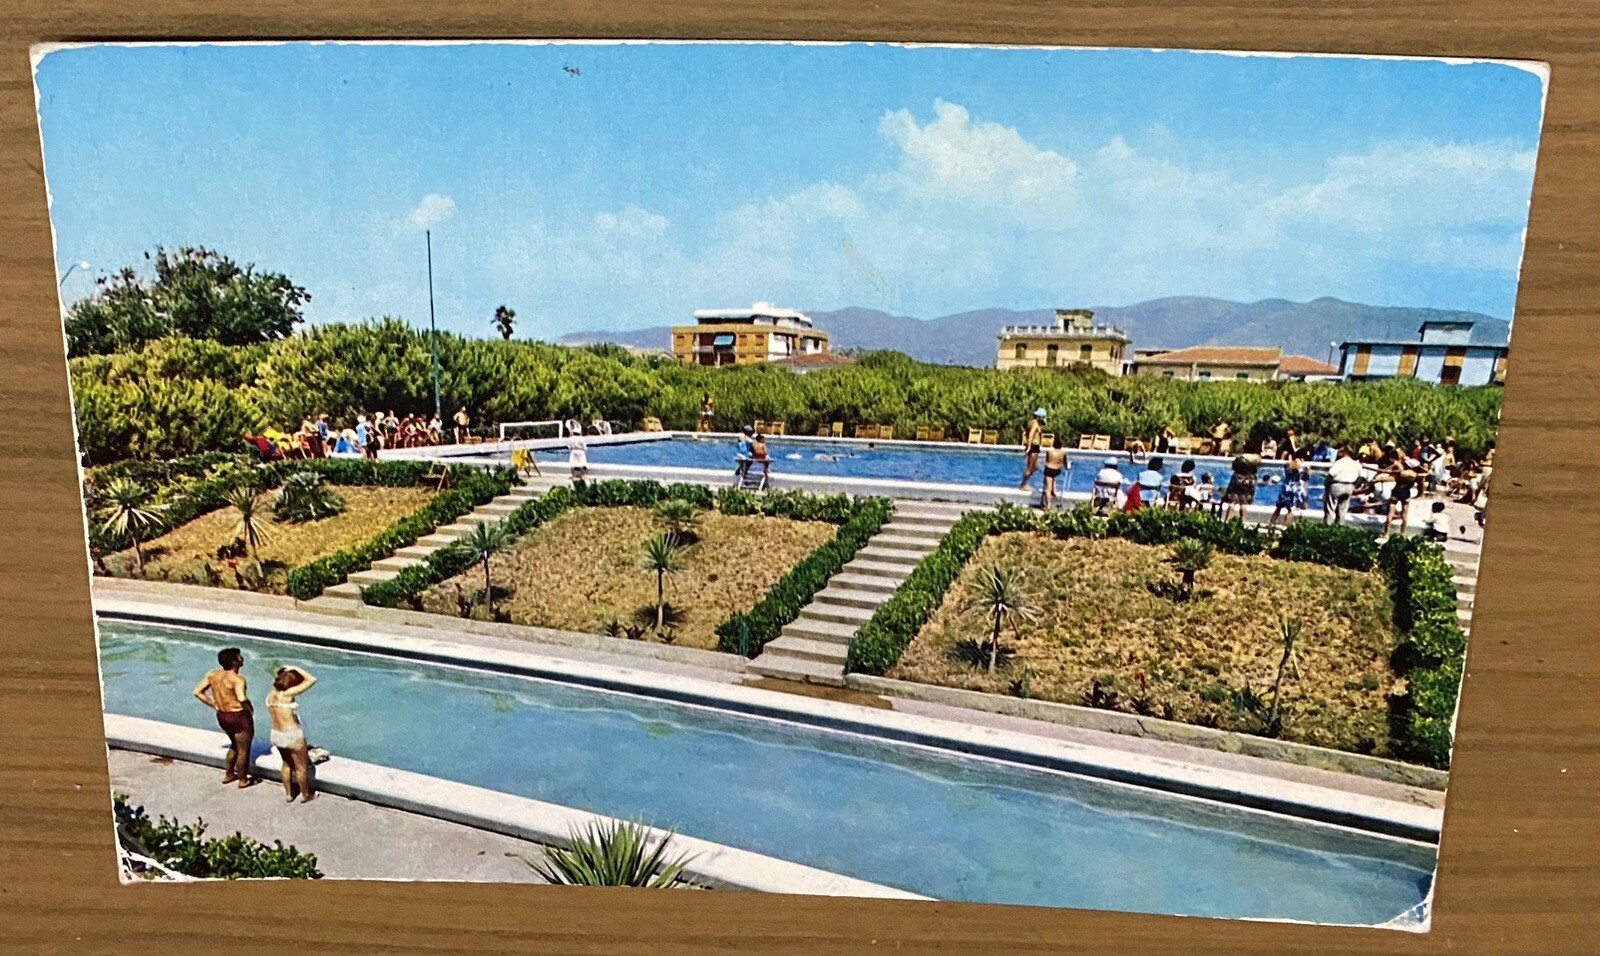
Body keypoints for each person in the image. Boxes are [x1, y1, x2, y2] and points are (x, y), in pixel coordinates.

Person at [192, 647, 255, 788]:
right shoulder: (238, 679)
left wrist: (214, 704)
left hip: (222, 715)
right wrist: (250, 709)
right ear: (234, 662)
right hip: (238, 715)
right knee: (243, 749)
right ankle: (243, 780)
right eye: (240, 656)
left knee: (235, 745)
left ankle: (229, 774)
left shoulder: (213, 674)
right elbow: (242, 698)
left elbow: (197, 692)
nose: (242, 658)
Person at [266, 666, 318, 803]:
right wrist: (295, 667)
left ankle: (289, 794)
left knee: (286, 764)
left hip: (276, 734)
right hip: (292, 735)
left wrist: (284, 672)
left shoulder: (271, 695)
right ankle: (306, 795)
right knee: (301, 768)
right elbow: (312, 680)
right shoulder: (287, 695)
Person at [1323, 446, 1363, 525]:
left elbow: (1331, 474)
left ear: (1345, 452)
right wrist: (1355, 485)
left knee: (1330, 508)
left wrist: (1326, 482)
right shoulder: (1356, 464)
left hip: (1336, 485)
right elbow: (1361, 476)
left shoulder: (1339, 463)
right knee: (1343, 509)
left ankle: (1327, 525)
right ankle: (1340, 525)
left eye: (1340, 452)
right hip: (1349, 486)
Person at [1269, 455, 1309, 528]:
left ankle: (1271, 524)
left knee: (1278, 508)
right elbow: (1306, 478)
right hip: (1294, 489)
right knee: (1290, 510)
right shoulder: (1303, 468)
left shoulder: (1287, 465)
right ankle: (1285, 527)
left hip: (1285, 487)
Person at [1221, 453, 1260, 522]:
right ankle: (1241, 521)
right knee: (1244, 504)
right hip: (1248, 484)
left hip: (1237, 483)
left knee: (1232, 503)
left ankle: (1227, 521)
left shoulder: (1237, 468)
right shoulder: (1253, 470)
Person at [1018, 409, 1047, 490]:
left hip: (1035, 447)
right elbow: (1030, 435)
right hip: (1033, 447)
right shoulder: (1035, 424)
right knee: (1030, 468)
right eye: (1043, 417)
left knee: (1035, 467)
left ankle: (1024, 483)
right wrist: (1029, 447)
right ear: (1039, 417)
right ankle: (1023, 485)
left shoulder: (1032, 422)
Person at [1040, 436, 1069, 509]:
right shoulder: (1063, 453)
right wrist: (1067, 467)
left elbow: (1047, 461)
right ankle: (1054, 490)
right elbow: (1065, 463)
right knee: (1052, 479)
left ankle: (1048, 505)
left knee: (1048, 488)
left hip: (1049, 469)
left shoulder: (1049, 451)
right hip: (1057, 470)